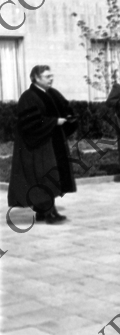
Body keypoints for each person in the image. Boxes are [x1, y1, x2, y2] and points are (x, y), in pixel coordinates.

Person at [8, 65, 78, 224]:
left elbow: (65, 109)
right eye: (47, 76)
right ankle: (48, 212)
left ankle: (42, 211)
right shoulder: (28, 96)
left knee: (52, 175)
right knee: (44, 177)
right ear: (36, 78)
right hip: (36, 146)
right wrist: (54, 122)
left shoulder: (51, 93)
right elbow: (29, 123)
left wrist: (68, 117)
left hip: (52, 143)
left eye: (51, 75)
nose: (51, 78)